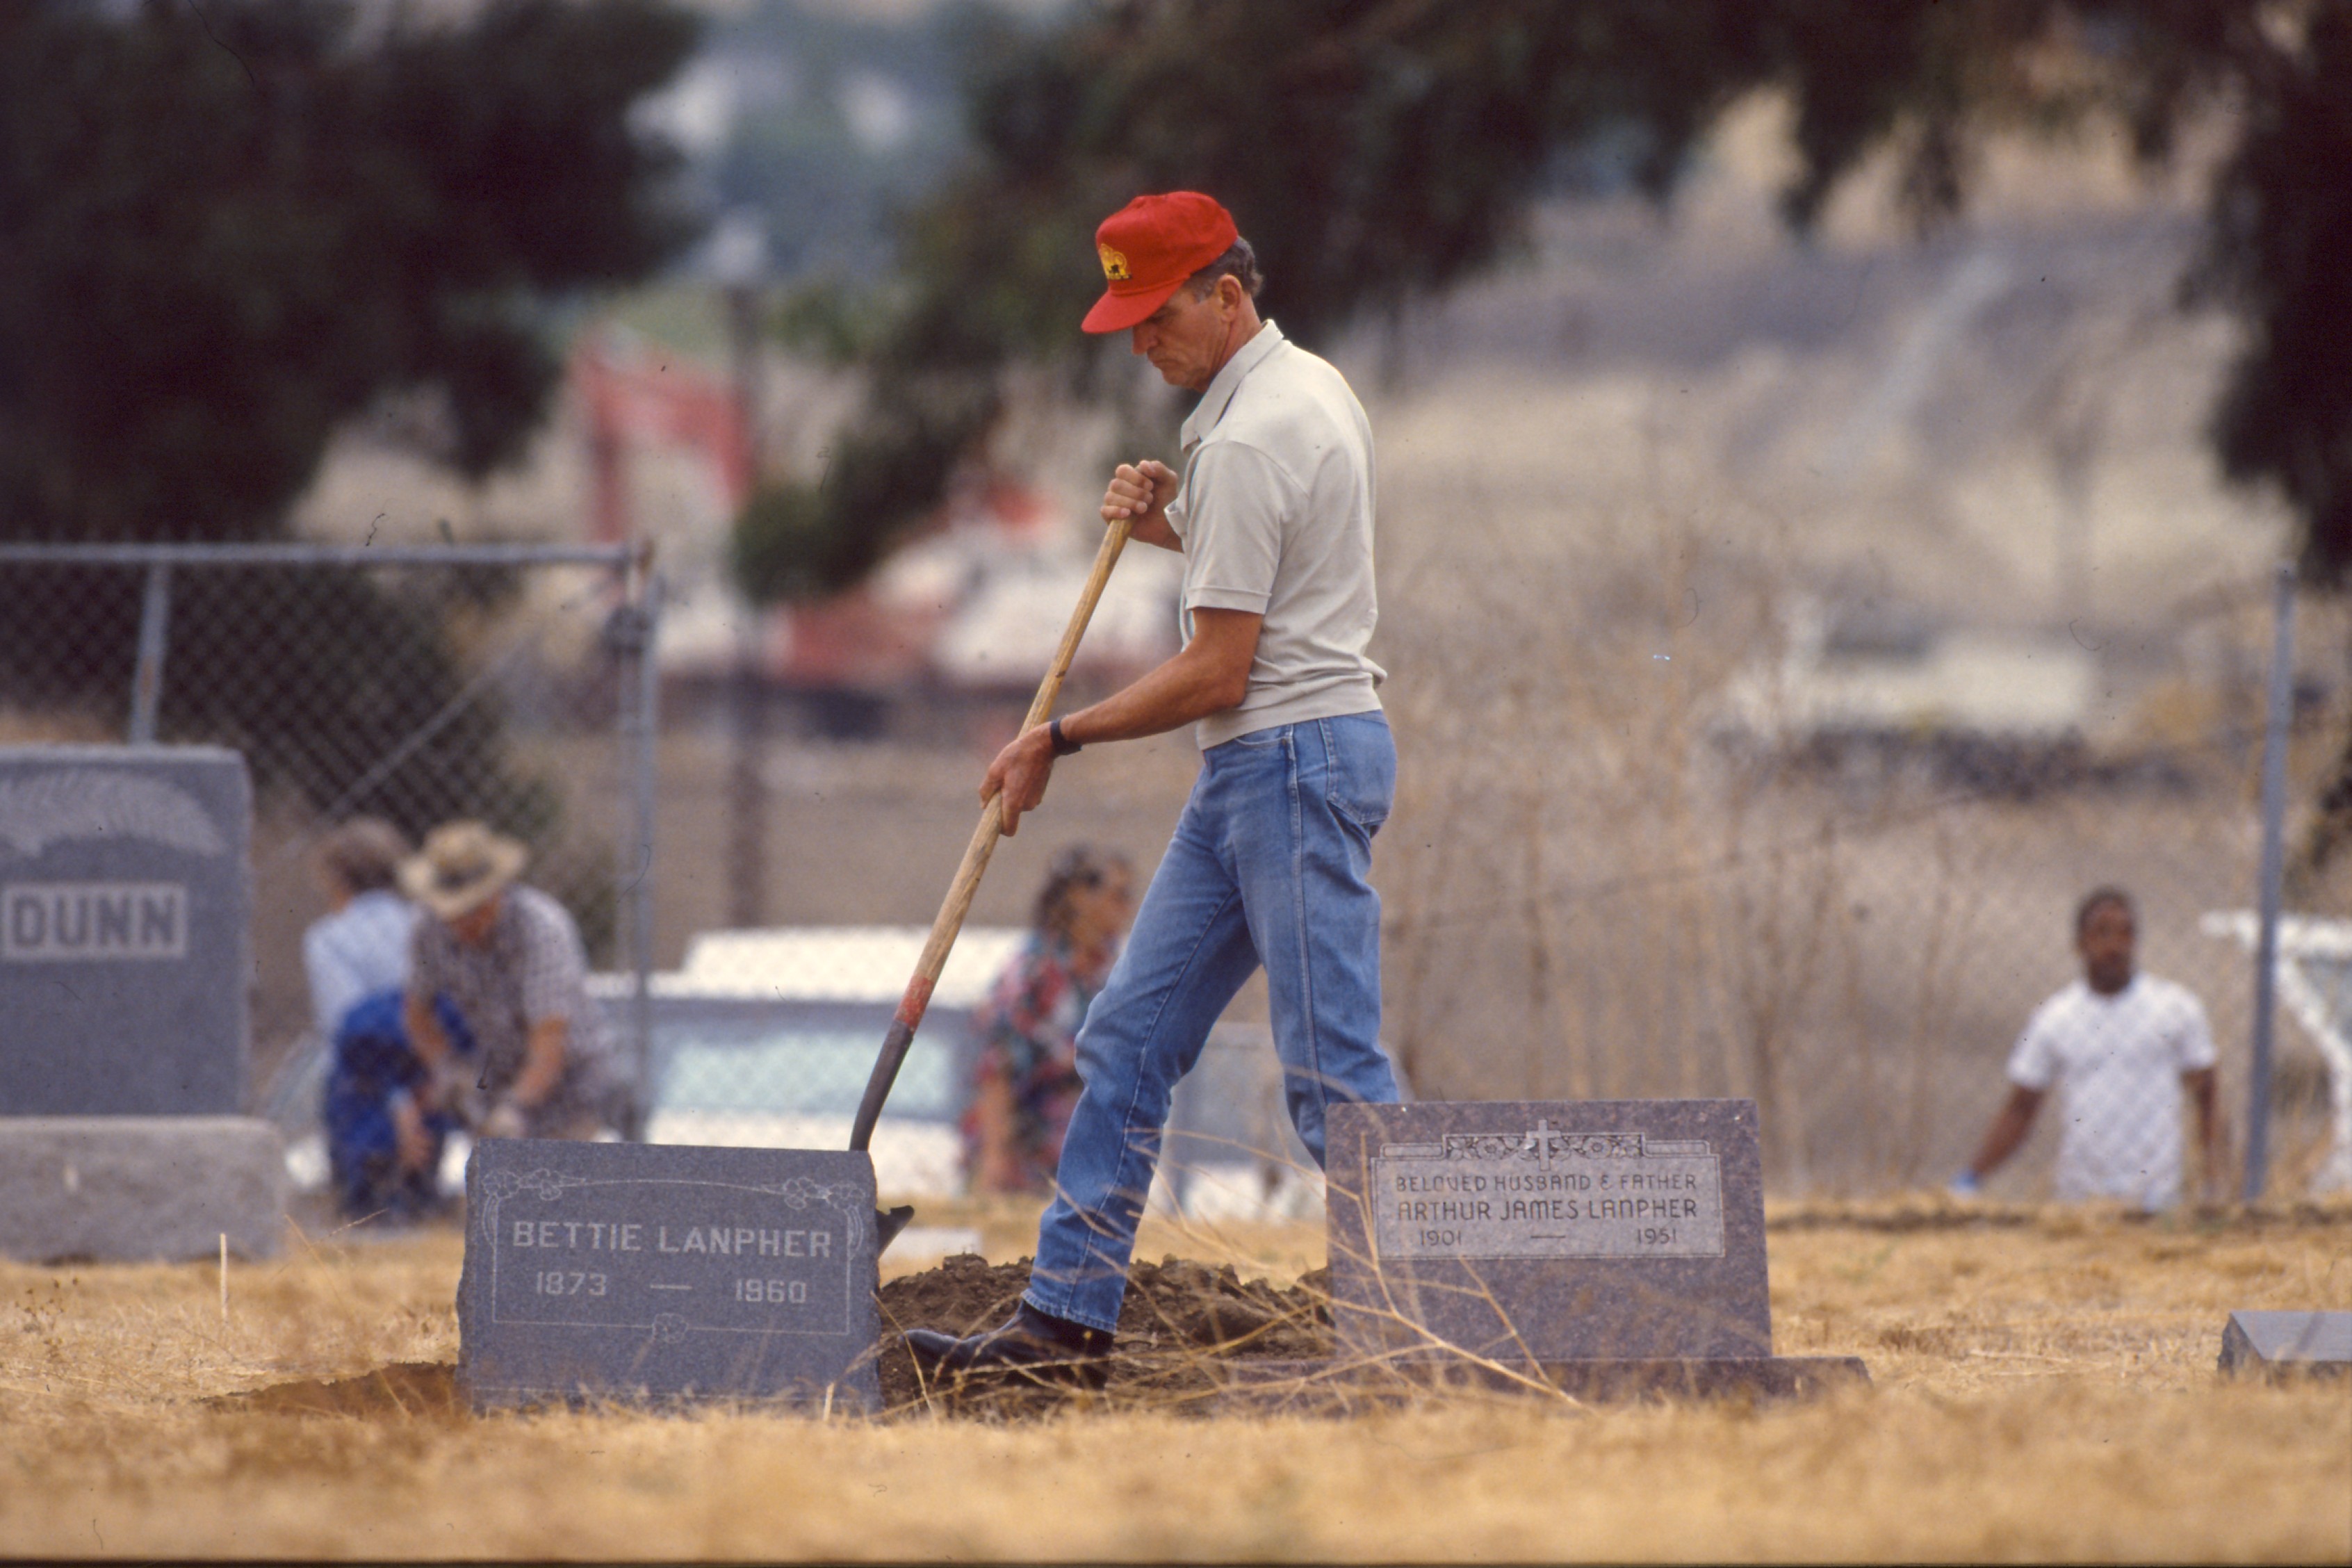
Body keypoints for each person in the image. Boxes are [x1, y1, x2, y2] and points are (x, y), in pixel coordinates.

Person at [908, 191, 1400, 1383]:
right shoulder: (1299, 390)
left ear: (1227, 292)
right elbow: (1263, 561)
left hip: (1290, 756)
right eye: (1125, 320)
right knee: (1125, 1036)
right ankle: (1064, 1328)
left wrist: (1053, 739)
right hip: (1260, 763)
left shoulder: (1244, 433)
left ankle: (1437, 1319)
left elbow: (1216, 666)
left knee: (1333, 1068)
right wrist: (1173, 523)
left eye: (1157, 314)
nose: (1140, 343)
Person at [1953, 887, 2226, 1209]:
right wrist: (1972, 1177)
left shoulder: (2176, 1008)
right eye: (2103, 933)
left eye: (2126, 933)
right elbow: (2021, 1108)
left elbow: (2207, 1096)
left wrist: (2216, 1180)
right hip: (2080, 1203)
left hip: (2158, 1199)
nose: (2115, 945)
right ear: (2080, 944)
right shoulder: (2054, 1017)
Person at [398, 820, 632, 1142]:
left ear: (496, 893)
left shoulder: (541, 929)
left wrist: (515, 1108)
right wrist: (448, 1070)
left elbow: (550, 1039)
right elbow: (417, 1015)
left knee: (562, 1184)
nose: (461, 923)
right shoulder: (427, 930)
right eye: (452, 913)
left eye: (472, 910)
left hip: (572, 1088)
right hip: (498, 1079)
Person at [962, 845, 1138, 1195]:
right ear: (1077, 898)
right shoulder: (1035, 972)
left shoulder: (1115, 972)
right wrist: (995, 1158)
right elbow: (997, 1066)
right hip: (1026, 1153)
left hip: (1090, 1154)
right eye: (1118, 895)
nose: (1128, 907)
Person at [304, 817, 450, 1219]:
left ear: (338, 878)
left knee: (365, 1215)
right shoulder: (426, 925)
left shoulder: (329, 937)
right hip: (429, 1085)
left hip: (363, 1094)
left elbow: (348, 1029)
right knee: (422, 1209)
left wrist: (395, 1105)